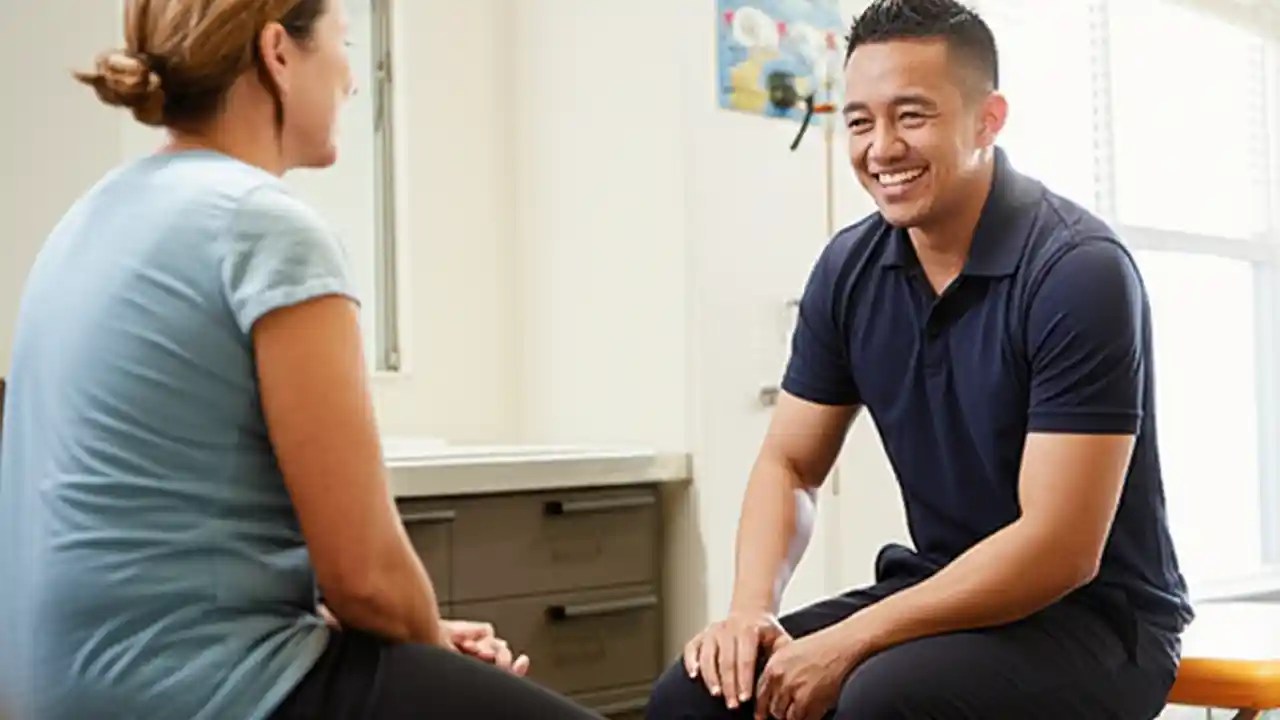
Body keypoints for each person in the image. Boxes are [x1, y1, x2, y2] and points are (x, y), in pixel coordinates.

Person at [0, 1, 604, 719]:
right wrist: (430, 655)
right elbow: (366, 579)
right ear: (278, 54)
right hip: (198, 691)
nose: (353, 78)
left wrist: (421, 647)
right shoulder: (262, 224)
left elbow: (158, 551)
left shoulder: (91, 217)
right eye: (343, 43)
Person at [648, 1, 1193, 718]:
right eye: (859, 122)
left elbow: (1059, 547)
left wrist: (850, 642)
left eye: (911, 116)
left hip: (1096, 620)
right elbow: (791, 464)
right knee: (699, 695)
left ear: (987, 120)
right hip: (939, 590)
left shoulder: (1078, 270)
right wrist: (751, 613)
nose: (881, 148)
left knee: (881, 699)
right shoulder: (849, 269)